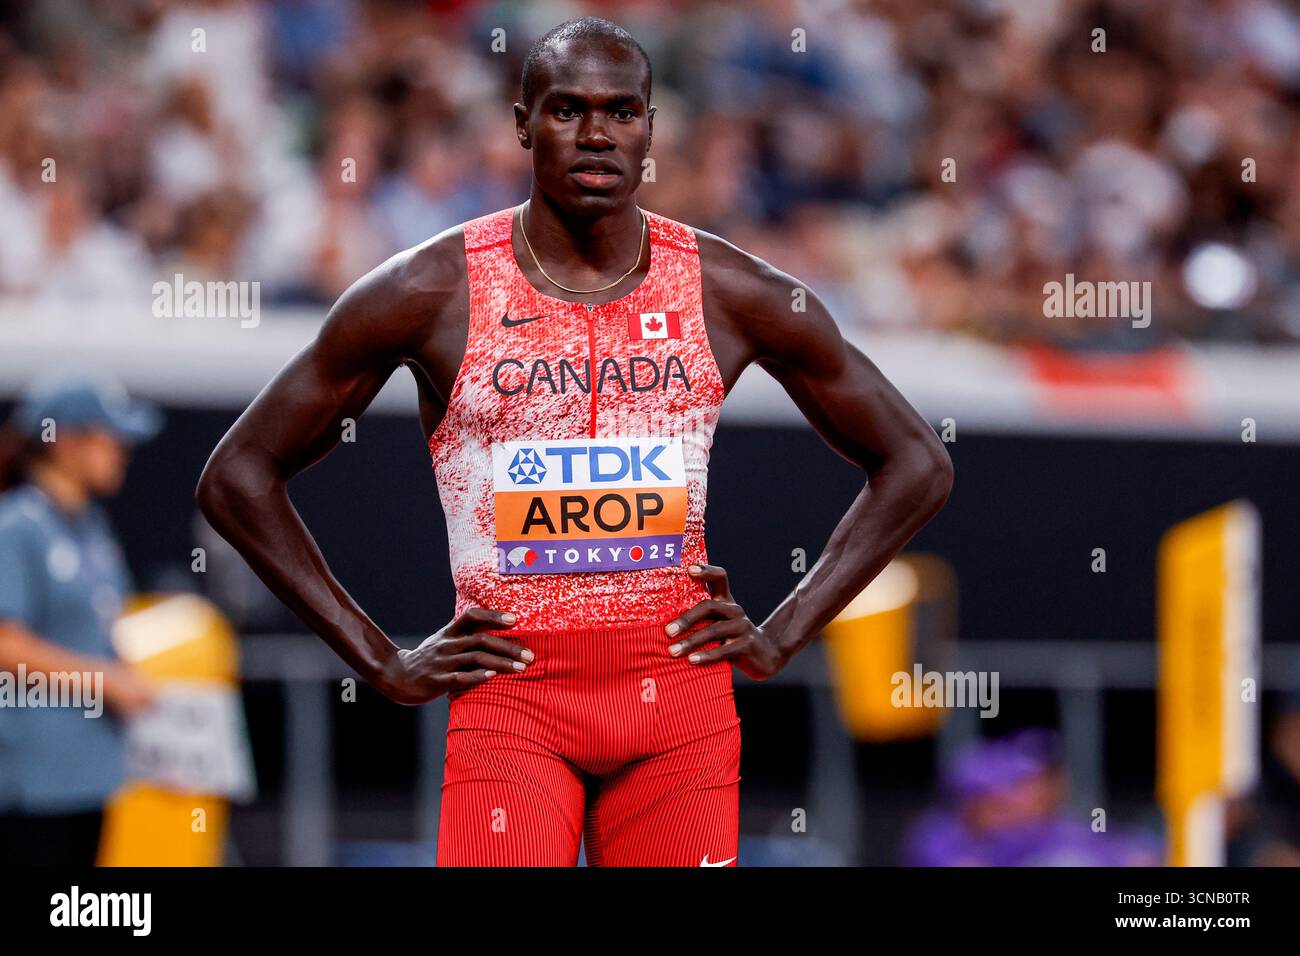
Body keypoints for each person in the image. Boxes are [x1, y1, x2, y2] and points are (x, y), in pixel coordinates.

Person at [196, 16, 953, 866]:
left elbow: (918, 462)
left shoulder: (729, 290)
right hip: (513, 701)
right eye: (567, 110)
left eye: (623, 112)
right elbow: (237, 477)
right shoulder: (430, 290)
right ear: (522, 124)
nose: (597, 135)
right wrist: (379, 659)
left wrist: (784, 633)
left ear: (651, 128)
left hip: (679, 706)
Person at [0, 370, 162, 866]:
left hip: (90, 772)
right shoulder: (16, 526)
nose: (122, 451)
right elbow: (5, 646)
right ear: (65, 443)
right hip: (32, 779)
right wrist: (105, 682)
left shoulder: (90, 527)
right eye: (109, 437)